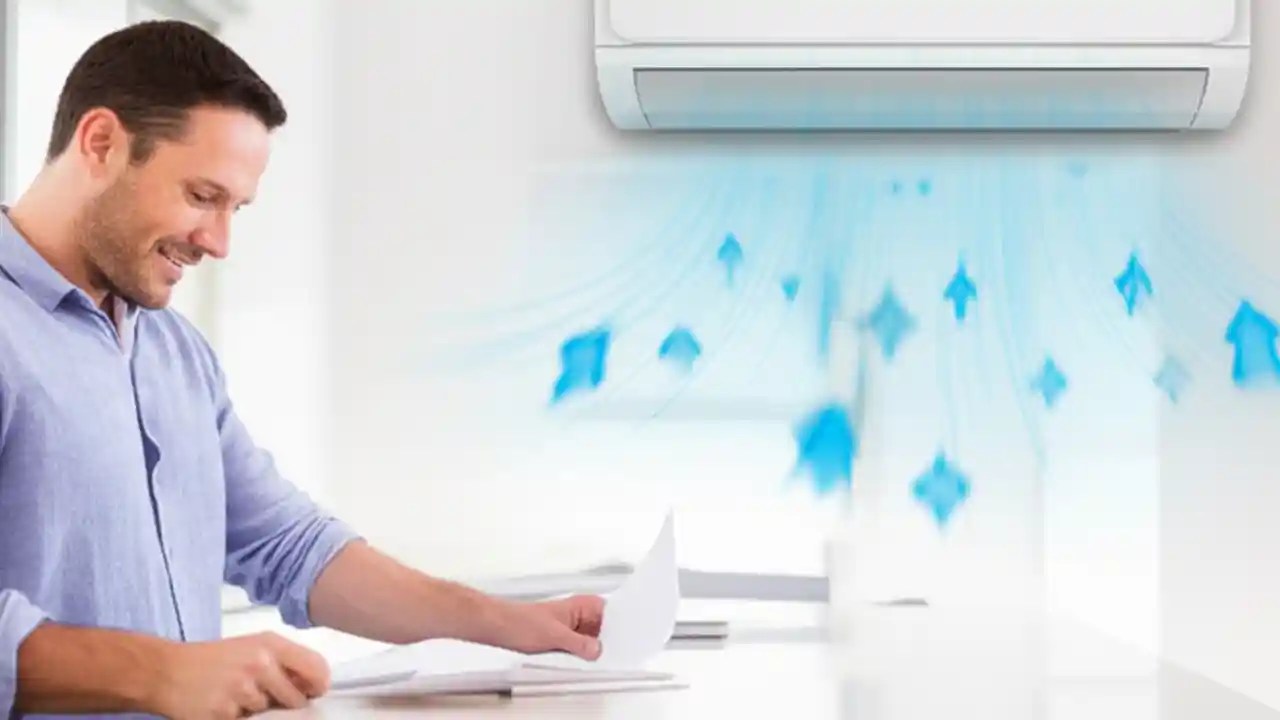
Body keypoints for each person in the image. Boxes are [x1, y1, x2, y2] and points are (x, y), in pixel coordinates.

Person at [0, 19, 604, 720]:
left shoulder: (173, 351)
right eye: (201, 196)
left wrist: (511, 626)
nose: (219, 242)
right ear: (101, 143)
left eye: (236, 208)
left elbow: (288, 546)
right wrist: (161, 674)